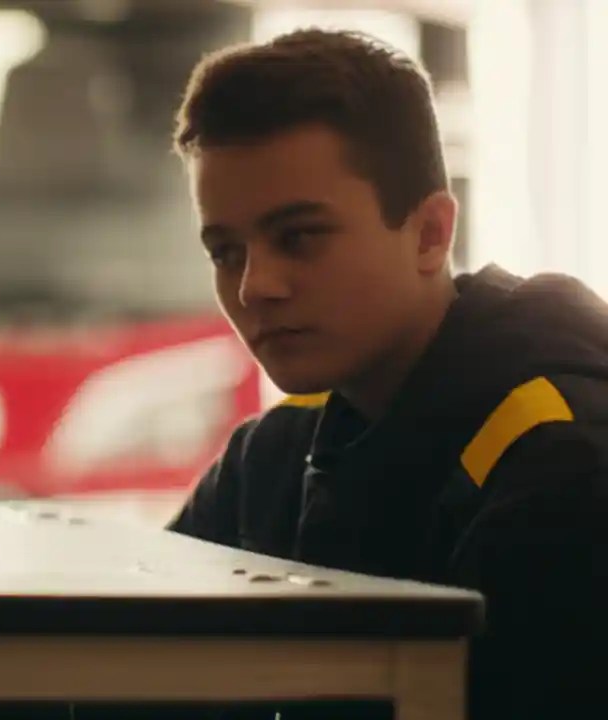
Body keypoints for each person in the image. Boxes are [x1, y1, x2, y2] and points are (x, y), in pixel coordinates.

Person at [165, 28, 605, 718]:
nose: (255, 286)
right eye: (225, 251)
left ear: (432, 232)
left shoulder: (560, 462)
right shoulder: (270, 462)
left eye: (300, 236)